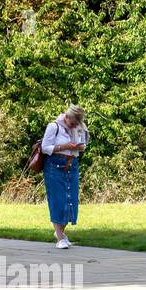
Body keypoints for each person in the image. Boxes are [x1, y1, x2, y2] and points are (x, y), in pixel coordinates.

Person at [41, 104, 89, 249]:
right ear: (67, 116)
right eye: (73, 122)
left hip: (72, 165)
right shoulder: (54, 126)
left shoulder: (78, 127)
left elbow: (83, 145)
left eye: (77, 123)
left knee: (70, 201)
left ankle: (60, 233)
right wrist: (65, 147)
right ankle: (60, 238)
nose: (74, 125)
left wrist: (80, 147)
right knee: (58, 201)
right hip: (55, 166)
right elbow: (45, 147)